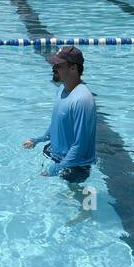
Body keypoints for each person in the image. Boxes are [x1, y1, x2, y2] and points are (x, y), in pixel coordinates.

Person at [21, 46, 96, 186]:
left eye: (59, 65)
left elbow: (80, 146)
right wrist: (38, 139)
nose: (53, 68)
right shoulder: (62, 89)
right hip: (59, 157)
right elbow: (58, 123)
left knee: (74, 202)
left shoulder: (82, 100)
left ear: (73, 68)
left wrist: (56, 169)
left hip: (75, 167)